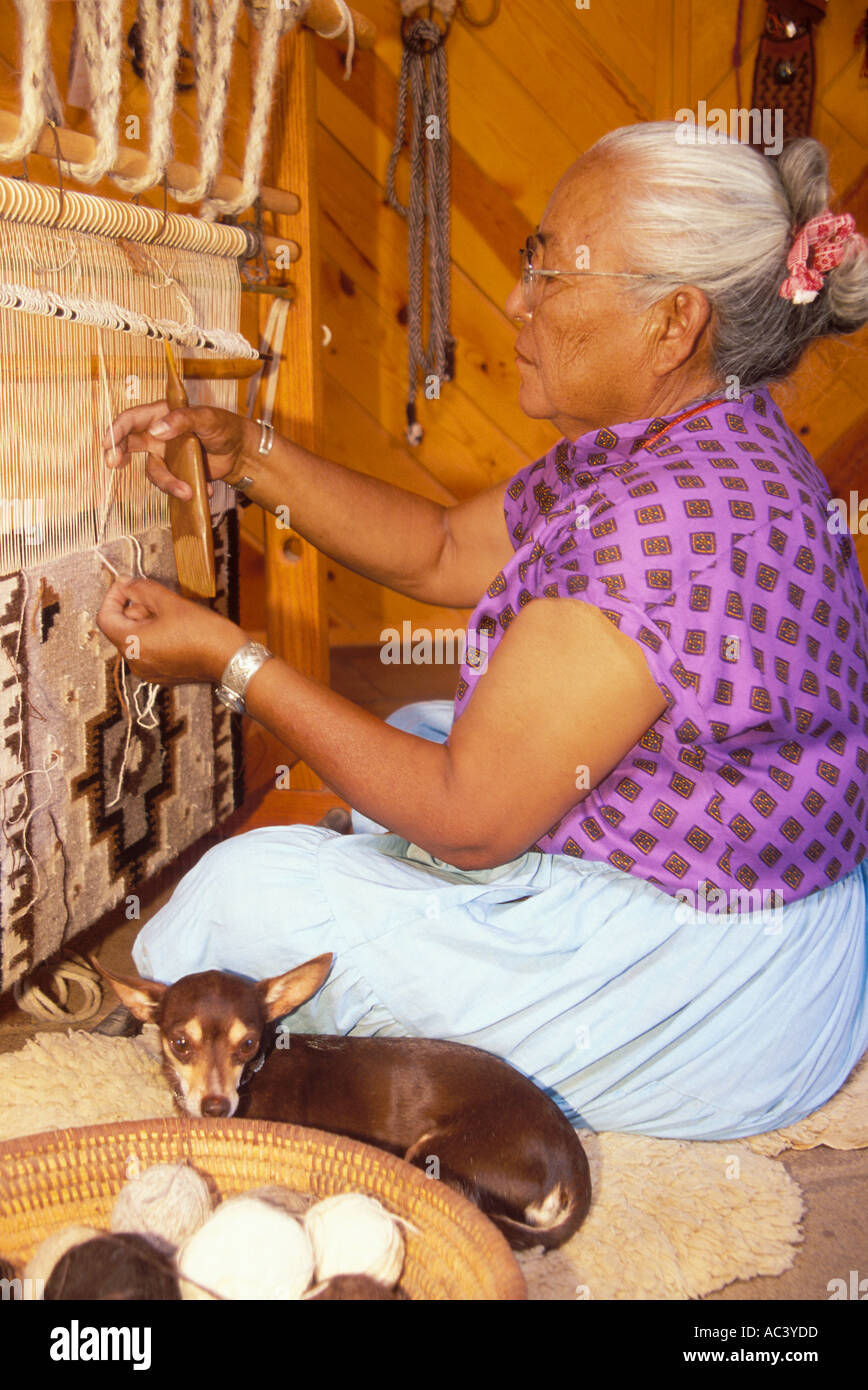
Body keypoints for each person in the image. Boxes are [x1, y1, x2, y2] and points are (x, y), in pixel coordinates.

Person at [97, 123, 868, 1140]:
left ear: (673, 323)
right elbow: (441, 548)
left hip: (719, 998)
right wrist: (247, 452)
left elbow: (469, 820)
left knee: (245, 895)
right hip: (783, 925)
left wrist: (229, 660)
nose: (517, 300)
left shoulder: (670, 518)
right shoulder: (683, 436)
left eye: (548, 270)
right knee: (421, 722)